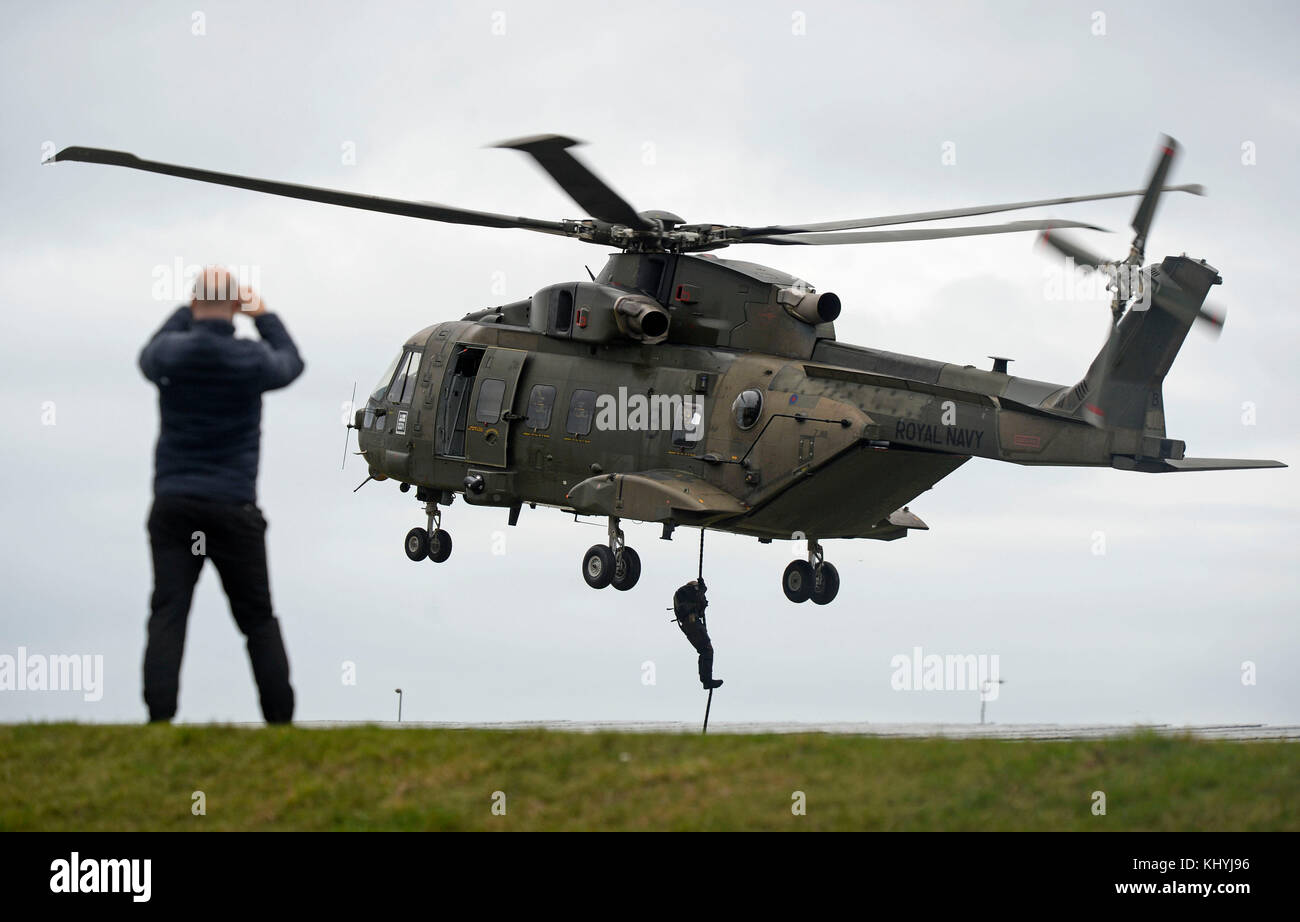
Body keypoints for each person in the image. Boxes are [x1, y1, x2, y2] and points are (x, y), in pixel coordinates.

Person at [139, 266, 305, 723]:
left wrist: (187, 310)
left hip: (174, 502)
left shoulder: (171, 355)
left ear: (193, 305)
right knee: (257, 619)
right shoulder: (251, 359)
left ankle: (159, 719)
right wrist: (264, 315)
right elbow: (292, 363)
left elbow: (146, 356)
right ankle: (279, 721)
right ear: (236, 306)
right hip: (232, 507)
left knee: (169, 611)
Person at [672, 578, 723, 690]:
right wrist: (702, 589)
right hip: (692, 623)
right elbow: (697, 597)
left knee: (704, 650)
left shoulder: (684, 596)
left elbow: (699, 605)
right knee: (707, 650)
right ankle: (707, 680)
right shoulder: (686, 591)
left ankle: (706, 680)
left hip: (691, 624)